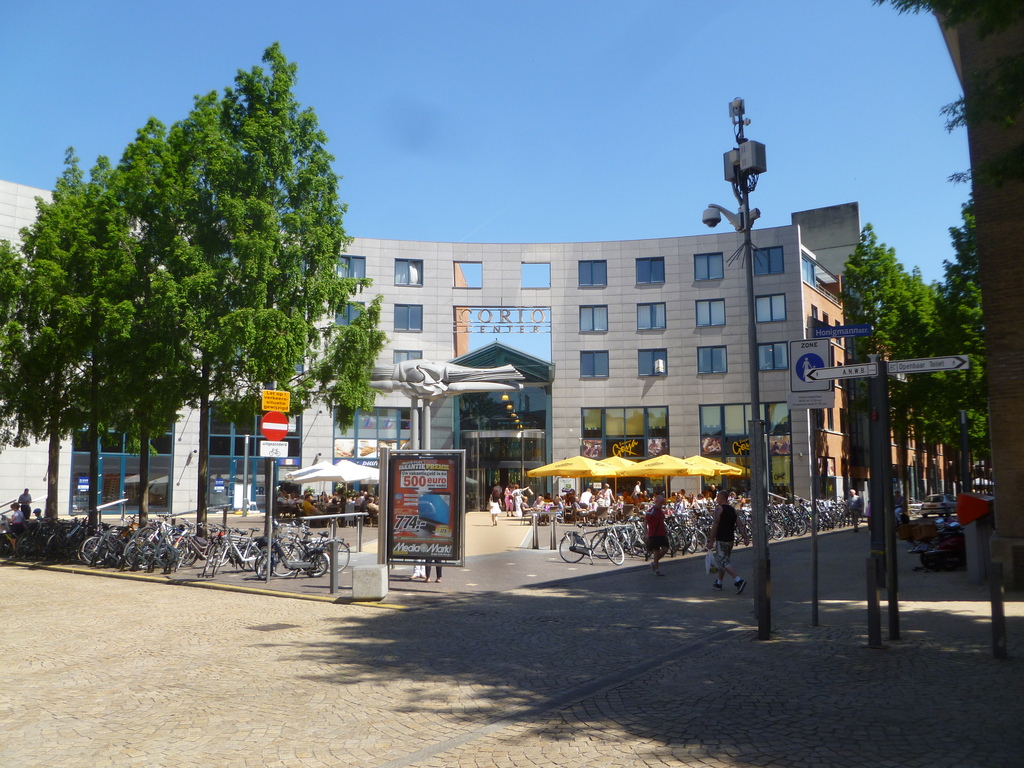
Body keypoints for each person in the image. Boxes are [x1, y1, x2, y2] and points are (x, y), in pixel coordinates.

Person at [709, 490, 749, 594]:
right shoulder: (733, 510)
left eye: (718, 497)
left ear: (722, 498)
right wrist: (745, 537)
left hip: (721, 539)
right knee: (724, 561)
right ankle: (719, 582)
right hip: (730, 539)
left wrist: (711, 540)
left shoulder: (719, 509)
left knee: (723, 561)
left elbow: (715, 525)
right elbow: (740, 524)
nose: (717, 499)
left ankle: (738, 580)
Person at [644, 491, 669, 576]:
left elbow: (662, 522)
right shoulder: (651, 511)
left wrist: (665, 530)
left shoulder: (661, 511)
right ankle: (656, 569)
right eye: (660, 502)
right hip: (654, 534)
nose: (662, 504)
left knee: (665, 549)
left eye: (662, 503)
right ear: (656, 501)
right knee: (657, 551)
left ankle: (654, 563)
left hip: (662, 533)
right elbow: (645, 521)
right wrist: (646, 533)